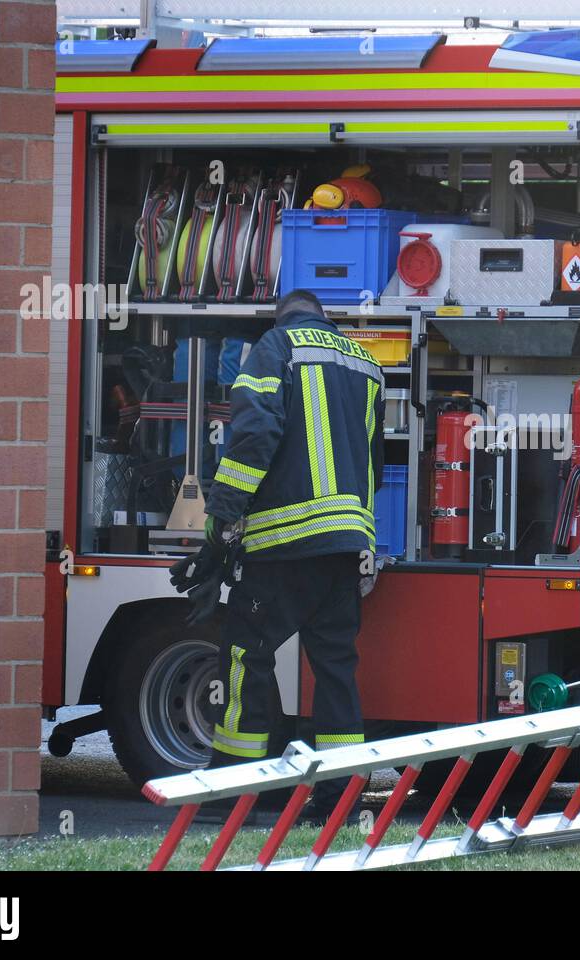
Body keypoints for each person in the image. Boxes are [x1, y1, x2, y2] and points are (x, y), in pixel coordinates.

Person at [170, 288, 384, 821]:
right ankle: (339, 798)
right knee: (335, 670)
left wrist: (220, 523)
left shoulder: (274, 348)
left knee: (246, 661)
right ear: (324, 314)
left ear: (280, 317)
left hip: (282, 548)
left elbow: (254, 437)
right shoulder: (366, 362)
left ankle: (233, 792)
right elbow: (375, 462)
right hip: (345, 548)